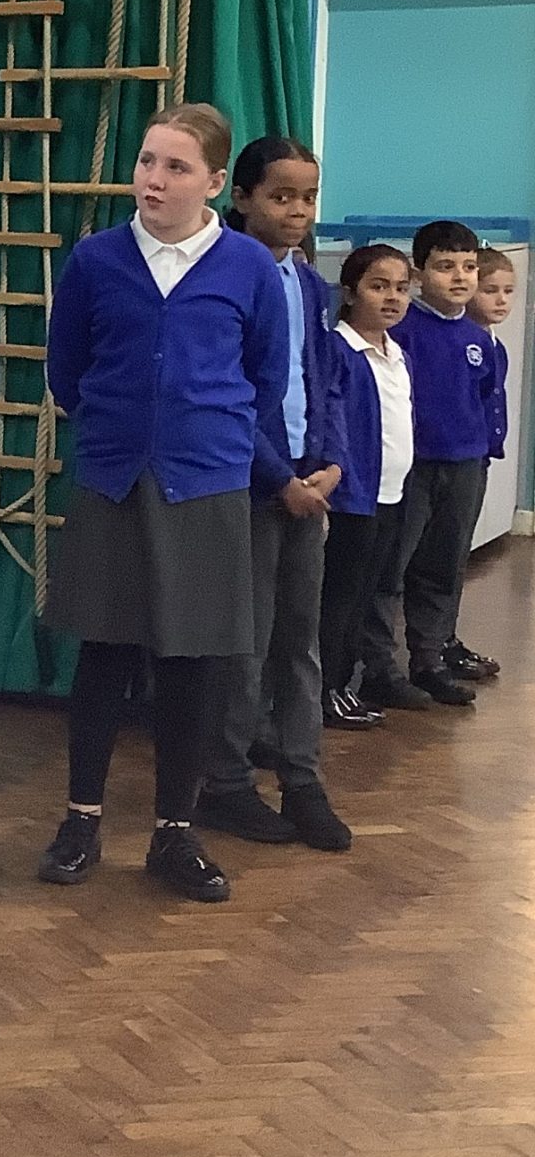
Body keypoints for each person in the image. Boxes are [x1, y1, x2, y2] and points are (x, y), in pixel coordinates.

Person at [37, 102, 291, 904]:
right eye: (148, 161)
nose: (154, 178)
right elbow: (66, 371)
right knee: (105, 654)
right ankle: (81, 817)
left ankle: (175, 831)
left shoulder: (249, 269)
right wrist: (124, 427)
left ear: (215, 183)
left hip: (207, 482)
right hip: (113, 476)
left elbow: (264, 379)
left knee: (194, 663)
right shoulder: (97, 260)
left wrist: (201, 434)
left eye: (175, 167)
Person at [196, 136, 352, 852]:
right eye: (282, 196)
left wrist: (329, 463)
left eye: (308, 197)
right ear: (242, 197)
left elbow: (324, 382)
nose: (297, 211)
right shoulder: (226, 275)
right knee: (244, 644)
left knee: (300, 638)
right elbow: (228, 398)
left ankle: (302, 777)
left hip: (305, 485)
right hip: (251, 485)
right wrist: (277, 478)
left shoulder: (312, 285)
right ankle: (225, 782)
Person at [374, 221, 504, 710]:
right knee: (393, 566)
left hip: (465, 464)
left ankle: (429, 659)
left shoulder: (478, 337)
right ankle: (378, 666)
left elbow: (486, 396)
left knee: (445, 566)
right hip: (412, 467)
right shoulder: (403, 328)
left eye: (468, 267)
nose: (459, 277)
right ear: (419, 271)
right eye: (445, 266)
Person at [319, 245, 417, 732]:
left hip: (392, 496)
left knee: (367, 597)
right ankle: (326, 690)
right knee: (340, 599)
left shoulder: (396, 353)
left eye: (402, 288)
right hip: (354, 498)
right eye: (379, 286)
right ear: (351, 290)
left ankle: (348, 683)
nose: (393, 298)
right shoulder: (340, 350)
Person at [446, 247, 517, 684]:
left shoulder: (496, 346)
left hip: (478, 455)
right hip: (446, 459)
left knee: (456, 555)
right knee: (436, 559)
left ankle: (446, 638)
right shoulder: (458, 340)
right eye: (491, 290)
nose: (501, 300)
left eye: (508, 291)